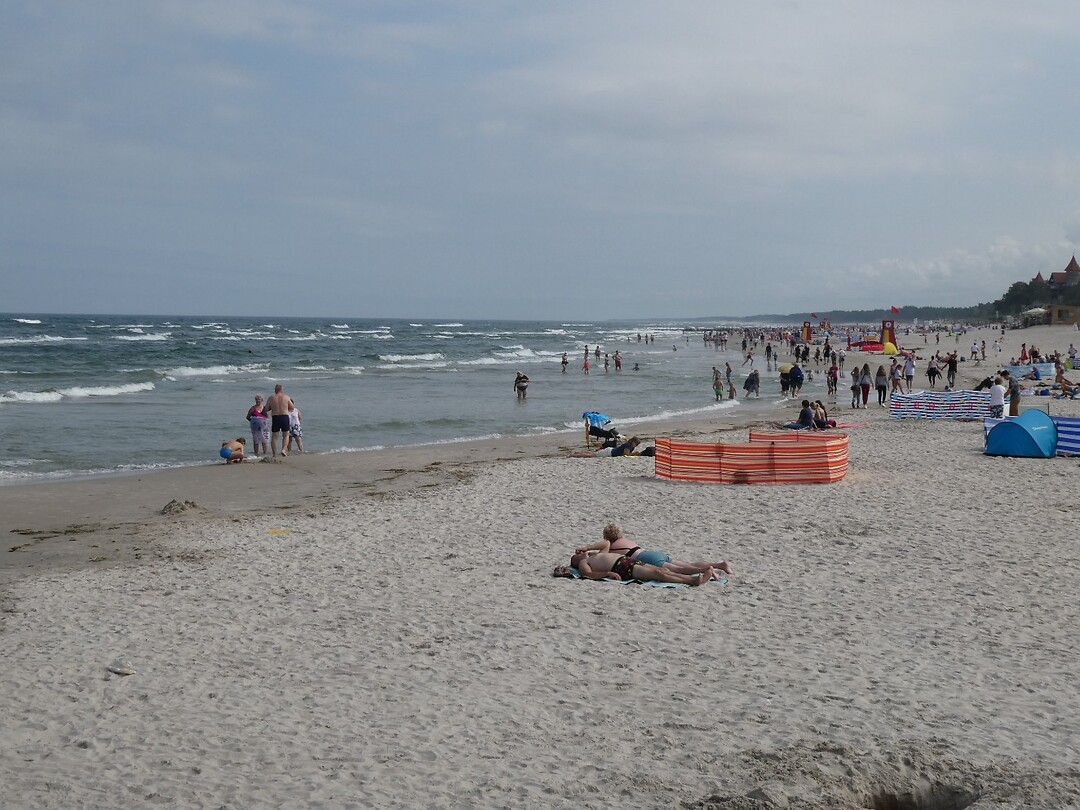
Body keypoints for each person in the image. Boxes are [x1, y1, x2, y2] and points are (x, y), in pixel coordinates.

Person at [574, 524, 733, 579]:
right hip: (651, 552)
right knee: (686, 564)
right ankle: (719, 564)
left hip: (646, 558)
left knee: (682, 570)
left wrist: (588, 551)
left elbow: (607, 556)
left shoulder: (612, 546)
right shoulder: (626, 540)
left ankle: (709, 570)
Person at [554, 550, 710, 586]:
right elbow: (589, 575)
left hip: (627, 561)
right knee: (657, 573)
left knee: (664, 570)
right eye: (577, 555)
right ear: (575, 561)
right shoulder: (583, 564)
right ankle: (692, 581)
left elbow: (605, 544)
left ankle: (693, 578)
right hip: (621, 567)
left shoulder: (593, 555)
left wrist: (586, 548)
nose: (580, 553)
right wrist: (608, 573)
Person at [266, 384, 294, 457]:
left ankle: (275, 454)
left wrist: (273, 407)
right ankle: (284, 449)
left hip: (276, 417)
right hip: (284, 416)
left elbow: (266, 408)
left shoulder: (272, 397)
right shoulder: (286, 397)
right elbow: (292, 407)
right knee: (285, 435)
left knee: (275, 436)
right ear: (282, 390)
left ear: (275, 390)